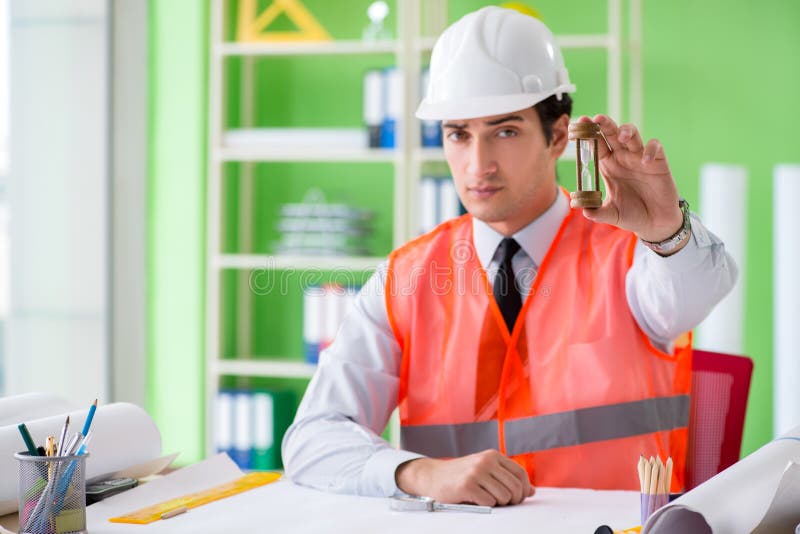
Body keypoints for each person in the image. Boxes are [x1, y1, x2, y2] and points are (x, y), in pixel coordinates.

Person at [282, 6, 737, 507]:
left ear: (558, 137)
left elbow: (700, 289)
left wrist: (668, 231)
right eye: (458, 134)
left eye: (505, 131)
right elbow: (312, 439)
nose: (478, 164)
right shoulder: (407, 277)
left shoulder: (632, 254)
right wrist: (417, 472)